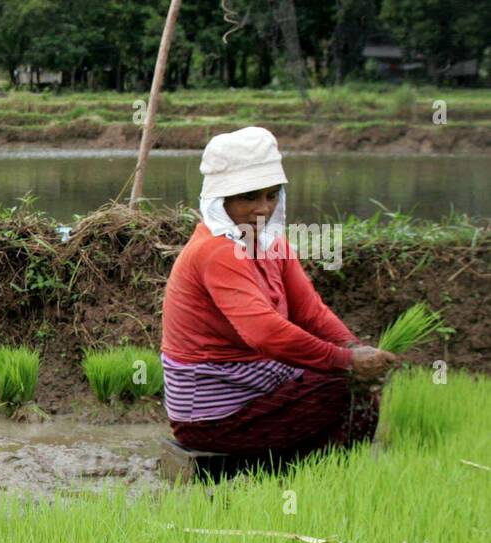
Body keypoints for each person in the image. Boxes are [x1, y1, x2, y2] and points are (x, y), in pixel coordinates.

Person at [160, 127, 399, 460]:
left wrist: (353, 347)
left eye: (271, 195)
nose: (263, 208)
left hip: (259, 385)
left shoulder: (271, 243)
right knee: (346, 389)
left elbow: (309, 312)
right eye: (249, 197)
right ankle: (309, 471)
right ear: (221, 200)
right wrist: (346, 362)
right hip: (213, 413)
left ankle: (321, 473)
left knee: (353, 388)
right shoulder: (217, 252)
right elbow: (266, 334)